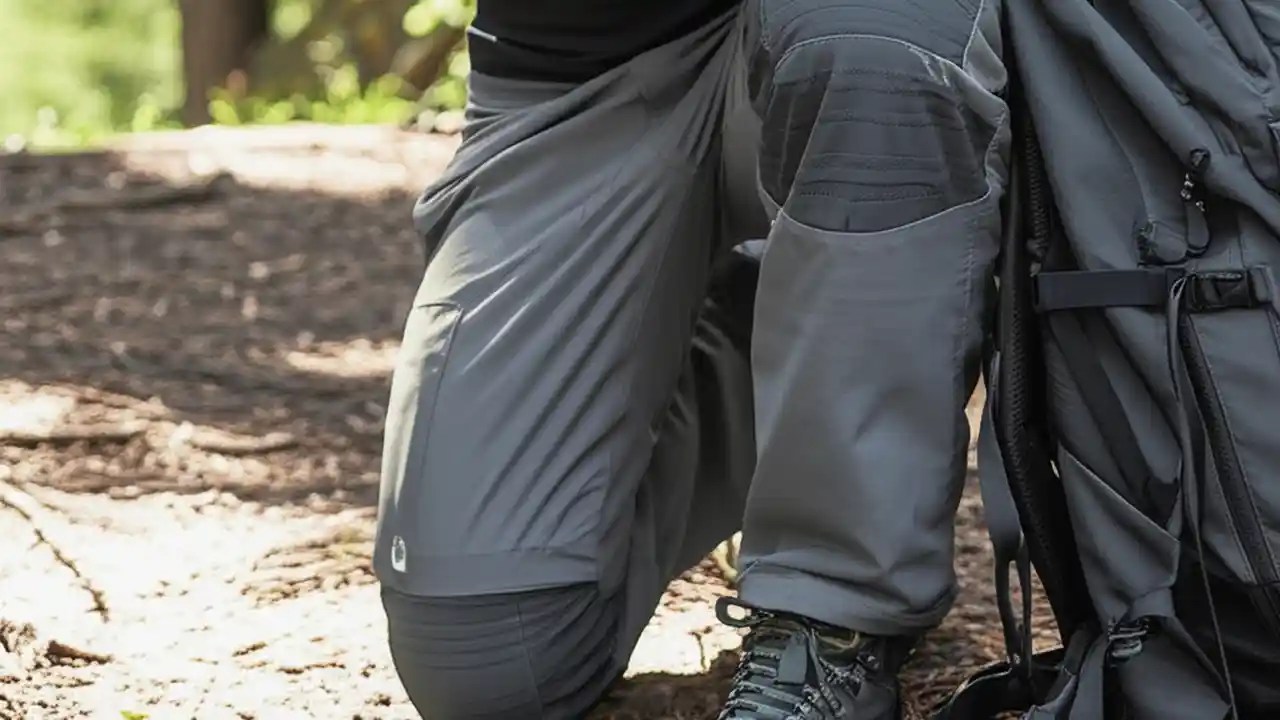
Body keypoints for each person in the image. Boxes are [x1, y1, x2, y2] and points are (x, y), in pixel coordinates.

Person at [373, 0, 1009, 717]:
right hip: (582, 65)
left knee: (873, 46)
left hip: (884, 40)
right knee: (491, 664)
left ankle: (831, 623)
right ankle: (803, 337)